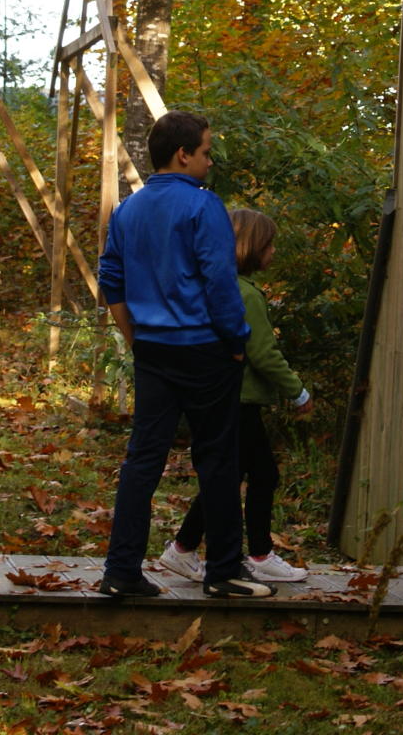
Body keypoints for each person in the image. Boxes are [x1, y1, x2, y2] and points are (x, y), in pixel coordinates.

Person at [97, 111, 275, 600]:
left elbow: (110, 278)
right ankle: (223, 571)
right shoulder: (203, 206)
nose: (209, 159)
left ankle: (121, 570)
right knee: (218, 458)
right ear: (184, 154)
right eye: (206, 151)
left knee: (143, 459)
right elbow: (219, 282)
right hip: (205, 351)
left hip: (153, 350)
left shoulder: (128, 210)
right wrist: (236, 341)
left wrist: (134, 337)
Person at [160, 208, 313, 585]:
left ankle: (185, 548)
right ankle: (255, 553)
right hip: (239, 401)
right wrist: (297, 392)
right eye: (269, 244)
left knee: (230, 477)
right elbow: (262, 353)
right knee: (258, 475)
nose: (273, 251)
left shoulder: (212, 286)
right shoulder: (245, 295)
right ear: (250, 247)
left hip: (215, 398)